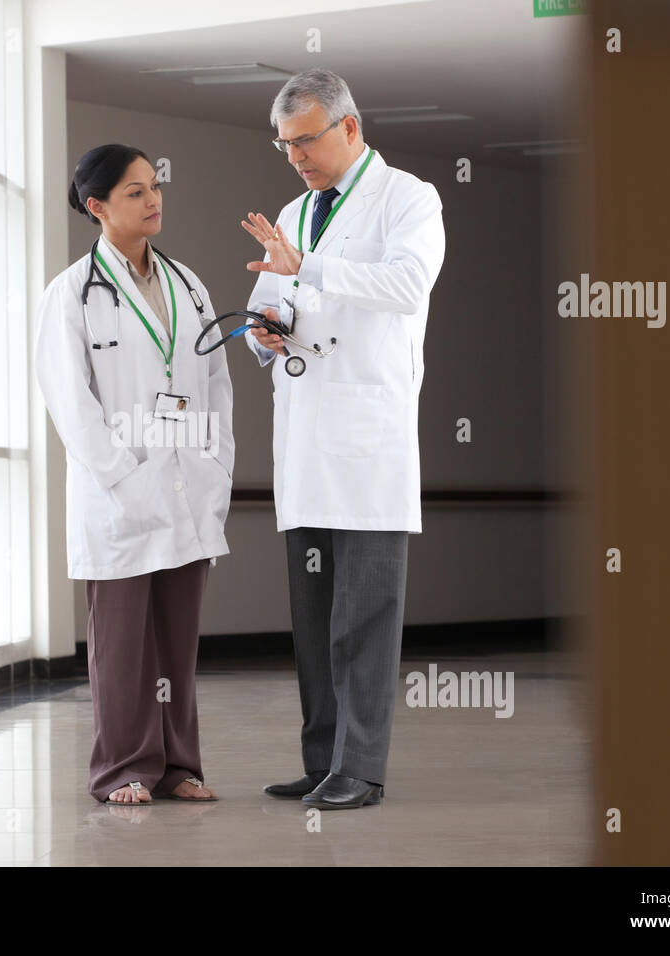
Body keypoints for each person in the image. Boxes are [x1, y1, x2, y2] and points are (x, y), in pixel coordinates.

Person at [240, 69, 446, 810]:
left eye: (305, 141)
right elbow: (270, 302)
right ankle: (322, 758)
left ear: (349, 128)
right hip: (305, 438)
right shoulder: (295, 213)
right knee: (314, 616)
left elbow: (407, 285)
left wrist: (313, 267)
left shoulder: (409, 199)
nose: (294, 157)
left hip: (368, 442)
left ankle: (361, 768)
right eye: (284, 144)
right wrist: (261, 331)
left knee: (363, 615)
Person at [35, 144, 236, 805]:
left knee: (177, 642)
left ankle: (178, 764)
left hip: (186, 484)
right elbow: (71, 401)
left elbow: (215, 382)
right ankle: (123, 767)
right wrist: (122, 476)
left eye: (154, 187)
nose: (153, 200)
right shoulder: (70, 295)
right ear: (97, 207)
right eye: (135, 192)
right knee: (122, 648)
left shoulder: (190, 285)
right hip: (118, 495)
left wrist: (216, 462)